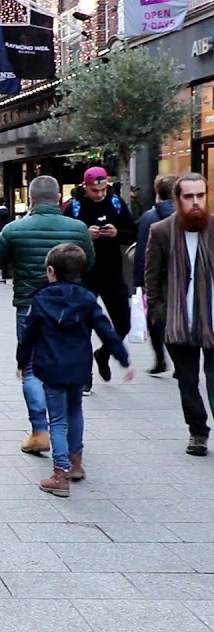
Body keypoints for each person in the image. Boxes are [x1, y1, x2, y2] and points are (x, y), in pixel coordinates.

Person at [0, 175, 95, 456]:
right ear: (59, 198)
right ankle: (70, 440)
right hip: (72, 306)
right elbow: (89, 263)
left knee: (31, 368)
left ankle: (40, 430)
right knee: (67, 362)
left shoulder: (15, 229)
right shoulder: (78, 228)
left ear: (31, 200)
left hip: (30, 304)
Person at [19, 243, 134, 497]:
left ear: (51, 271)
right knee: (75, 413)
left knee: (57, 421)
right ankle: (77, 463)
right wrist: (124, 358)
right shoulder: (88, 299)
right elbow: (107, 330)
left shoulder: (40, 300)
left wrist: (22, 361)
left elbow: (28, 335)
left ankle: (60, 474)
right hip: (79, 367)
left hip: (51, 367)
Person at [144, 172, 214, 457]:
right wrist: (160, 312)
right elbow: (152, 276)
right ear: (177, 199)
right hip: (177, 321)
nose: (196, 202)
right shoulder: (161, 231)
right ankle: (197, 431)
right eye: (189, 197)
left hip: (212, 318)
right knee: (187, 380)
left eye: (201, 196)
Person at [64, 166, 137, 392]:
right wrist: (85, 234)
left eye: (103, 190)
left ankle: (103, 353)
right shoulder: (73, 208)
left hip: (112, 273)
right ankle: (85, 374)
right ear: (85, 187)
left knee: (124, 323)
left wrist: (117, 234)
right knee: (83, 326)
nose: (99, 194)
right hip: (84, 274)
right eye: (95, 190)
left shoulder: (116, 203)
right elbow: (65, 240)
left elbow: (133, 233)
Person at [134, 174, 176, 376]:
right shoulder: (188, 216)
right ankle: (182, 360)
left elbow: (143, 252)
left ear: (157, 192)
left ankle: (161, 358)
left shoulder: (150, 218)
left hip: (158, 279)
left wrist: (139, 281)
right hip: (184, 278)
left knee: (156, 319)